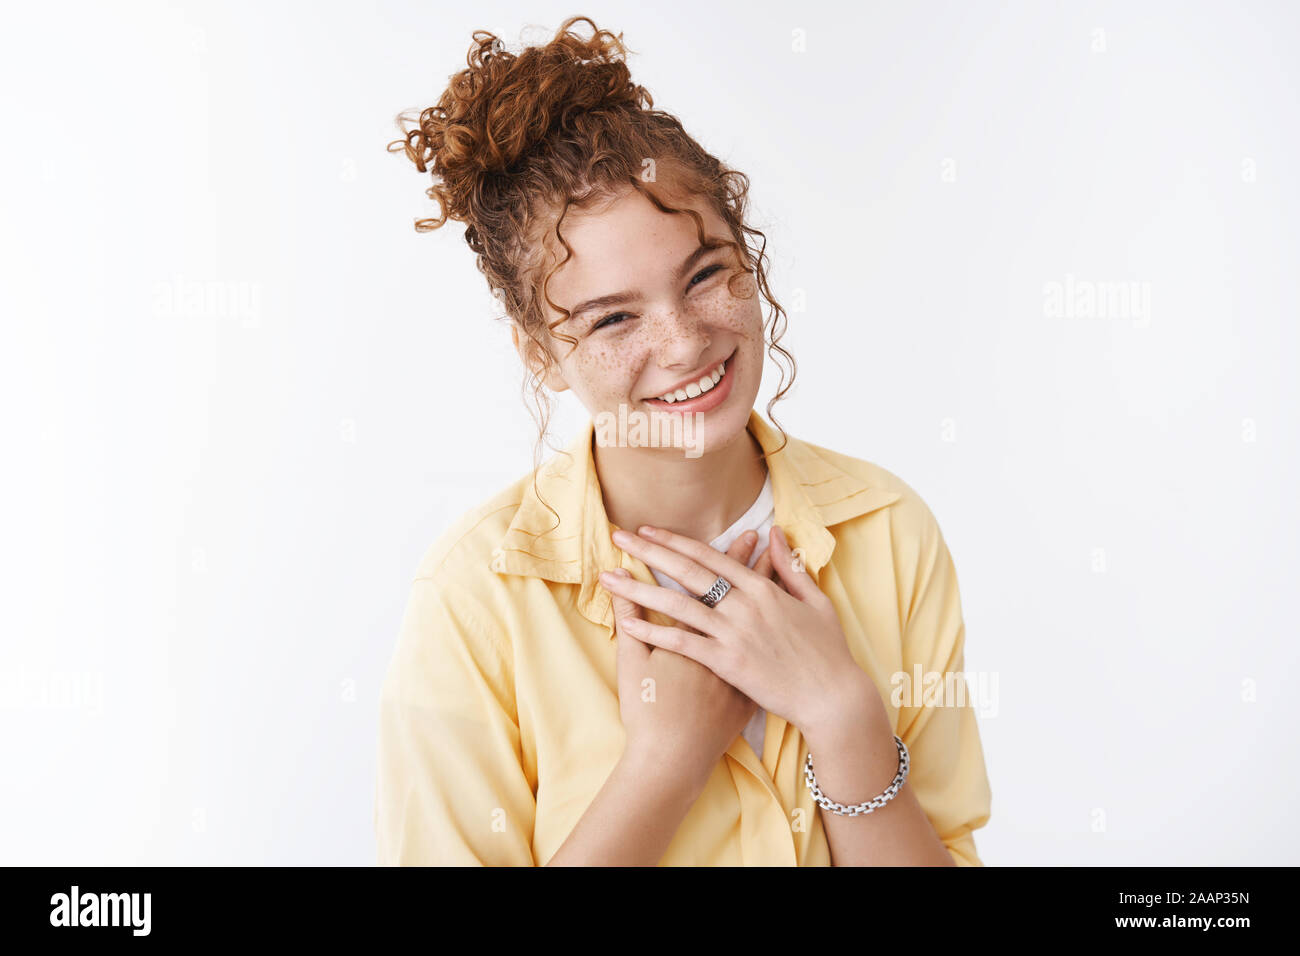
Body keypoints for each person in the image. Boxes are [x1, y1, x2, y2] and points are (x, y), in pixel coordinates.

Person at [374, 15, 992, 866]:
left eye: (705, 274)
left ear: (750, 256)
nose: (684, 342)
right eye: (614, 317)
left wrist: (843, 717)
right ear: (541, 353)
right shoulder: (474, 601)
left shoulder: (890, 532)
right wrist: (664, 763)